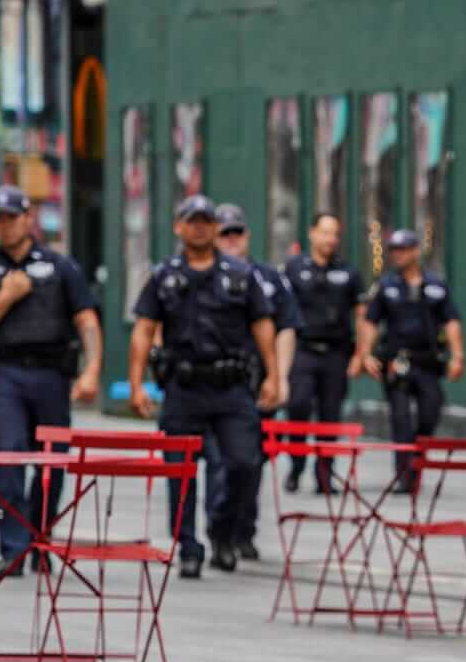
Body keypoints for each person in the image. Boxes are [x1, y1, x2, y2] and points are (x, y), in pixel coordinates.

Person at [127, 193, 278, 578]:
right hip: (183, 386)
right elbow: (144, 329)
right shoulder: (164, 276)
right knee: (180, 472)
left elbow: (263, 325)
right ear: (179, 226)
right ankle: (188, 545)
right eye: (191, 220)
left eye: (205, 221)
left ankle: (223, 531)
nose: (198, 227)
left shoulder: (241, 276)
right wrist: (136, 383)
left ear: (214, 228)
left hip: (231, 387)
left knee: (245, 462)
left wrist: (274, 376)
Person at [0, 187, 103, 565]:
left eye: (11, 217)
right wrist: (5, 297)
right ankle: (15, 548)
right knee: (8, 455)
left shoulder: (60, 266)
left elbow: (86, 319)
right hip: (4, 374)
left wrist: (92, 370)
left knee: (53, 461)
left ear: (27, 219)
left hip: (53, 374)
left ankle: (40, 538)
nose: (4, 225)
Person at [210, 202, 300, 561]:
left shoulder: (269, 278)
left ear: (247, 235)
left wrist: (280, 377)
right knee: (221, 461)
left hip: (256, 382)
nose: (231, 239)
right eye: (224, 233)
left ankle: (242, 530)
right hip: (215, 383)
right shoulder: (203, 274)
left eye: (237, 232)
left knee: (251, 462)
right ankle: (219, 532)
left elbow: (286, 327)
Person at [357, 228, 464, 490]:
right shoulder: (386, 286)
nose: (398, 255)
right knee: (400, 417)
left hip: (427, 361)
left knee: (430, 410)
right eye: (394, 250)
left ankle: (417, 456)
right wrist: (365, 354)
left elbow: (451, 322)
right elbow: (370, 321)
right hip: (396, 361)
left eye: (403, 250)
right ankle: (405, 475)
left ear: (416, 251)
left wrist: (457, 356)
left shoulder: (436, 286)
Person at [281, 212, 364, 494]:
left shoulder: (349, 272)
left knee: (331, 415)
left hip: (336, 353)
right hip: (303, 350)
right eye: (325, 232)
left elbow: (361, 315)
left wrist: (360, 354)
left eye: (335, 234)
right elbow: (282, 314)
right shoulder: (293, 268)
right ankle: (296, 464)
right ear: (312, 233)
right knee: (298, 406)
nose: (330, 239)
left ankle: (325, 475)